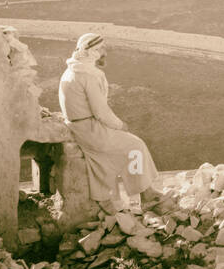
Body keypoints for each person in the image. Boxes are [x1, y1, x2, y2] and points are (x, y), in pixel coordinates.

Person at [58, 33, 164, 213]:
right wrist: (120, 125)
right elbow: (100, 112)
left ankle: (135, 194)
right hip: (90, 130)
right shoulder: (87, 75)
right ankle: (145, 195)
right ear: (92, 52)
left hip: (82, 126)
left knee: (128, 144)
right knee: (135, 146)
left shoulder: (74, 70)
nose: (105, 53)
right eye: (101, 49)